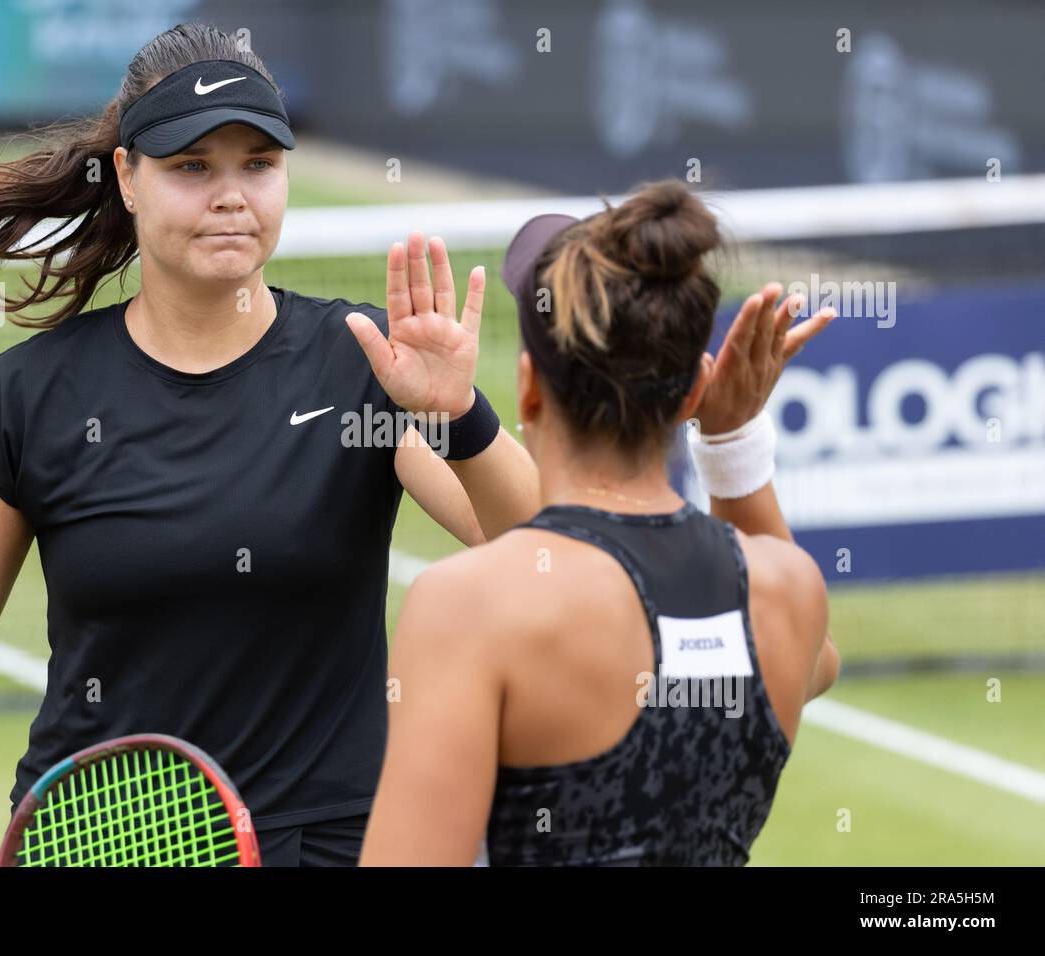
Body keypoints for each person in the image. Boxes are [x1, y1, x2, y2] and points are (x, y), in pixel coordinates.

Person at [0, 21, 542, 868]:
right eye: (192, 167)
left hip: (330, 848)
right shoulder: (32, 396)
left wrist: (458, 416)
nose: (231, 194)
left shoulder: (367, 366)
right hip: (94, 845)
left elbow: (534, 547)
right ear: (127, 177)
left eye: (258, 165)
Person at [360, 181, 840, 866]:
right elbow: (812, 663)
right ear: (692, 394)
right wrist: (730, 441)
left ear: (527, 388)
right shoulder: (789, 594)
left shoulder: (465, 606)